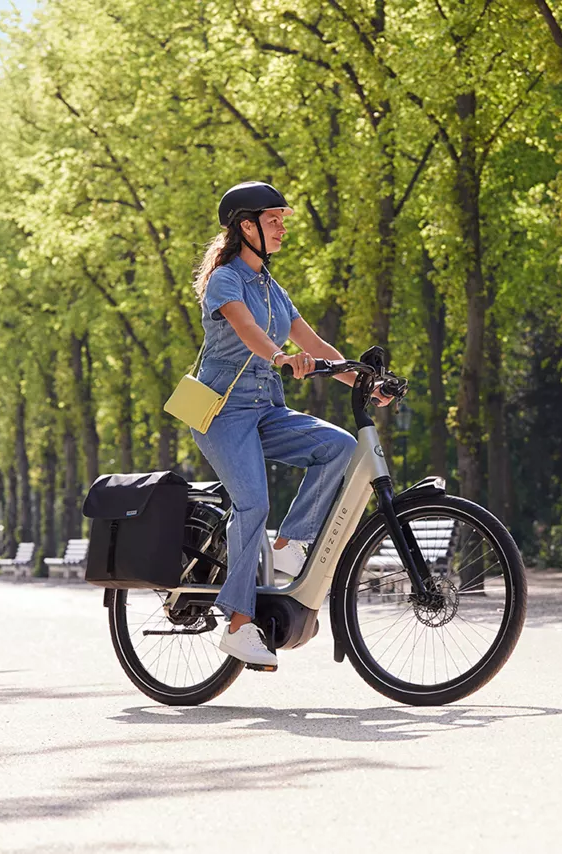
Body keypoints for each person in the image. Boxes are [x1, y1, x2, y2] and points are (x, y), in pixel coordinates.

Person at [189, 181, 391, 670]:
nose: (282, 228)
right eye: (274, 219)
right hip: (218, 413)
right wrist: (281, 356)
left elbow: (317, 344)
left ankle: (285, 547)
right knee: (253, 502)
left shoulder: (274, 290)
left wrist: (363, 382)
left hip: (264, 411)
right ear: (246, 226)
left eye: (282, 220)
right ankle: (238, 625)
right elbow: (246, 330)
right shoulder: (225, 281)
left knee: (339, 448)